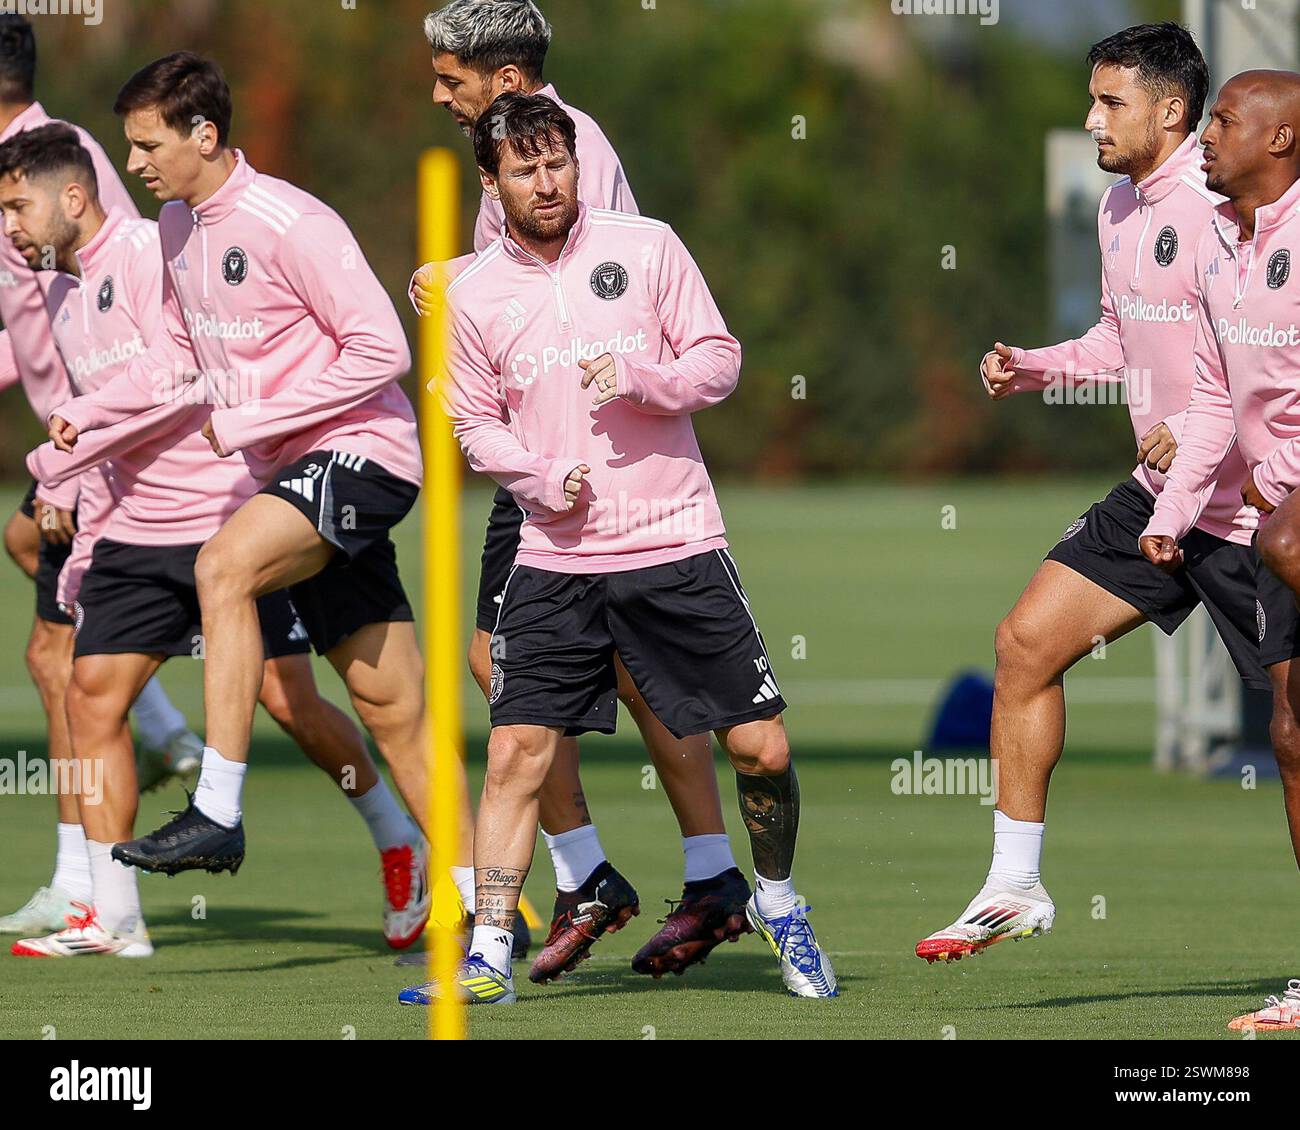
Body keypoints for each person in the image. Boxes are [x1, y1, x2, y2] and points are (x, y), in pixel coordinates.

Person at [400, 93, 835, 1005]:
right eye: (524, 169)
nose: (547, 182)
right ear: (492, 182)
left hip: (675, 540)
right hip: (555, 560)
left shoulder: (647, 246)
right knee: (517, 750)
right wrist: (533, 476)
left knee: (760, 747)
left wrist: (645, 377)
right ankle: (487, 953)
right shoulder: (470, 293)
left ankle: (782, 904)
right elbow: (471, 421)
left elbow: (719, 357)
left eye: (557, 162)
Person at [42, 54, 455, 923]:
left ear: (206, 133)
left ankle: (218, 810)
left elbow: (383, 350)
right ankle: (485, 907)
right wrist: (96, 414)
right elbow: (179, 362)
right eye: (129, 146)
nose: (137, 164)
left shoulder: (290, 220)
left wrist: (255, 414)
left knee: (222, 566)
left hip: (363, 456)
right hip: (293, 479)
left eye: (149, 144)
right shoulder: (176, 230)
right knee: (392, 708)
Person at [914, 23, 1288, 964]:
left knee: (1295, 740)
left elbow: (1250, 372)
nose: (1091, 120)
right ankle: (1014, 884)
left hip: (1253, 517)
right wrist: (1036, 365)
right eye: (1091, 98)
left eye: (1110, 101)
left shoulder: (1227, 209)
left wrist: (1201, 436)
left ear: (1172, 110)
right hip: (1163, 498)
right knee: (1025, 644)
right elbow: (1123, 342)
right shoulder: (1119, 209)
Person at [0, 13, 200, 941]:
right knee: (79, 680)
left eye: (13, 211)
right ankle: (106, 907)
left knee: (300, 696)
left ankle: (422, 856)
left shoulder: (87, 201)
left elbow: (157, 353)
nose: (10, 226)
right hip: (108, 485)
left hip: (182, 494)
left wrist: (73, 458)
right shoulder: (50, 242)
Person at [1136, 70, 1300, 1032]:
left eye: (1225, 122)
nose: (1204, 136)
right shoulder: (1216, 250)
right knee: (1287, 737)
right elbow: (1209, 404)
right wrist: (1176, 510)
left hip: (1289, 524)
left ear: (1280, 141)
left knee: (1283, 536)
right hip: (1273, 521)